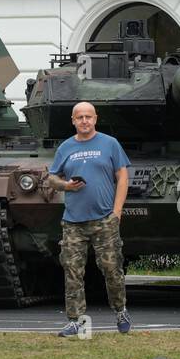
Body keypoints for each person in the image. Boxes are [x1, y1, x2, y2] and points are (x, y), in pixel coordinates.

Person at [45, 101, 132, 337]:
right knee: (72, 271)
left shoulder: (109, 144)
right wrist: (65, 185)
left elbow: (122, 177)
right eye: (80, 117)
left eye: (88, 116)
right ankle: (75, 321)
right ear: (73, 120)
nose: (84, 121)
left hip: (104, 219)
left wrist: (117, 212)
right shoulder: (66, 147)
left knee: (112, 269)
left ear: (96, 118)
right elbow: (51, 177)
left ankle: (121, 311)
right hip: (73, 221)